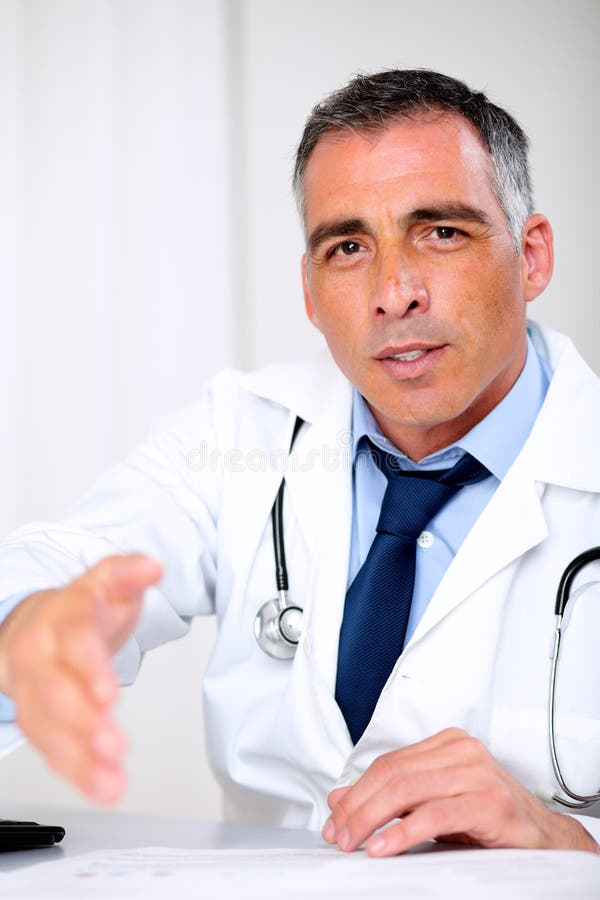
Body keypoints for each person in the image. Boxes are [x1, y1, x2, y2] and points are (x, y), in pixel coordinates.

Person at [0, 69, 599, 856]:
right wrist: (27, 626)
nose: (394, 292)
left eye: (440, 232)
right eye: (348, 247)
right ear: (311, 294)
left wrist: (567, 841)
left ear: (531, 256)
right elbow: (65, 562)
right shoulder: (242, 433)